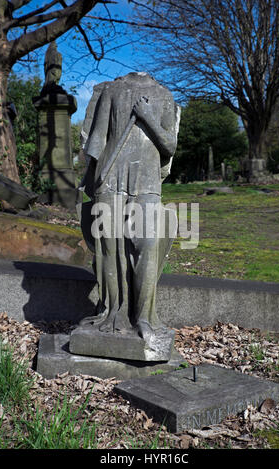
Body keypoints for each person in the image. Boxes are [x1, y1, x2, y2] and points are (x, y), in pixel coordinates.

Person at [79, 72, 180, 341]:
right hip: (110, 176)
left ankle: (143, 318)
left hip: (146, 179)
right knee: (109, 248)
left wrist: (147, 116)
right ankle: (113, 313)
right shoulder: (112, 91)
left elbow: (169, 146)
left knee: (146, 243)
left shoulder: (164, 96)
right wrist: (88, 179)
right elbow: (98, 137)